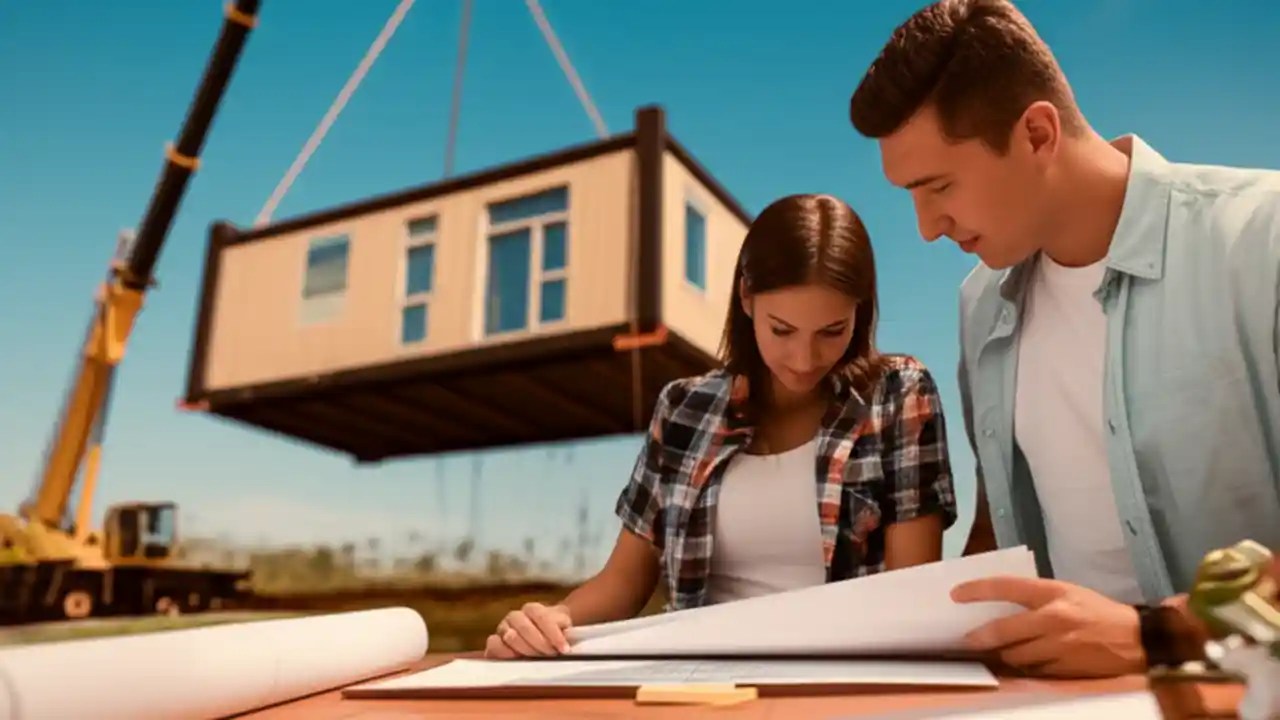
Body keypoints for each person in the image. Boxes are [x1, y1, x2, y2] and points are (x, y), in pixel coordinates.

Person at [847, 0, 1280, 678]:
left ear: (1038, 134)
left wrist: (1161, 634)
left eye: (938, 187)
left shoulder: (1263, 238)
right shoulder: (980, 306)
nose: (927, 226)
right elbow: (1004, 522)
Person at [483, 193, 959, 659]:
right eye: (782, 330)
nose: (804, 359)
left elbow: (909, 595)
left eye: (832, 331)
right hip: (697, 680)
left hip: (842, 679)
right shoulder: (684, 408)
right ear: (747, 299)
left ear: (861, 309)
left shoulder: (899, 395)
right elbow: (623, 583)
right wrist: (551, 620)